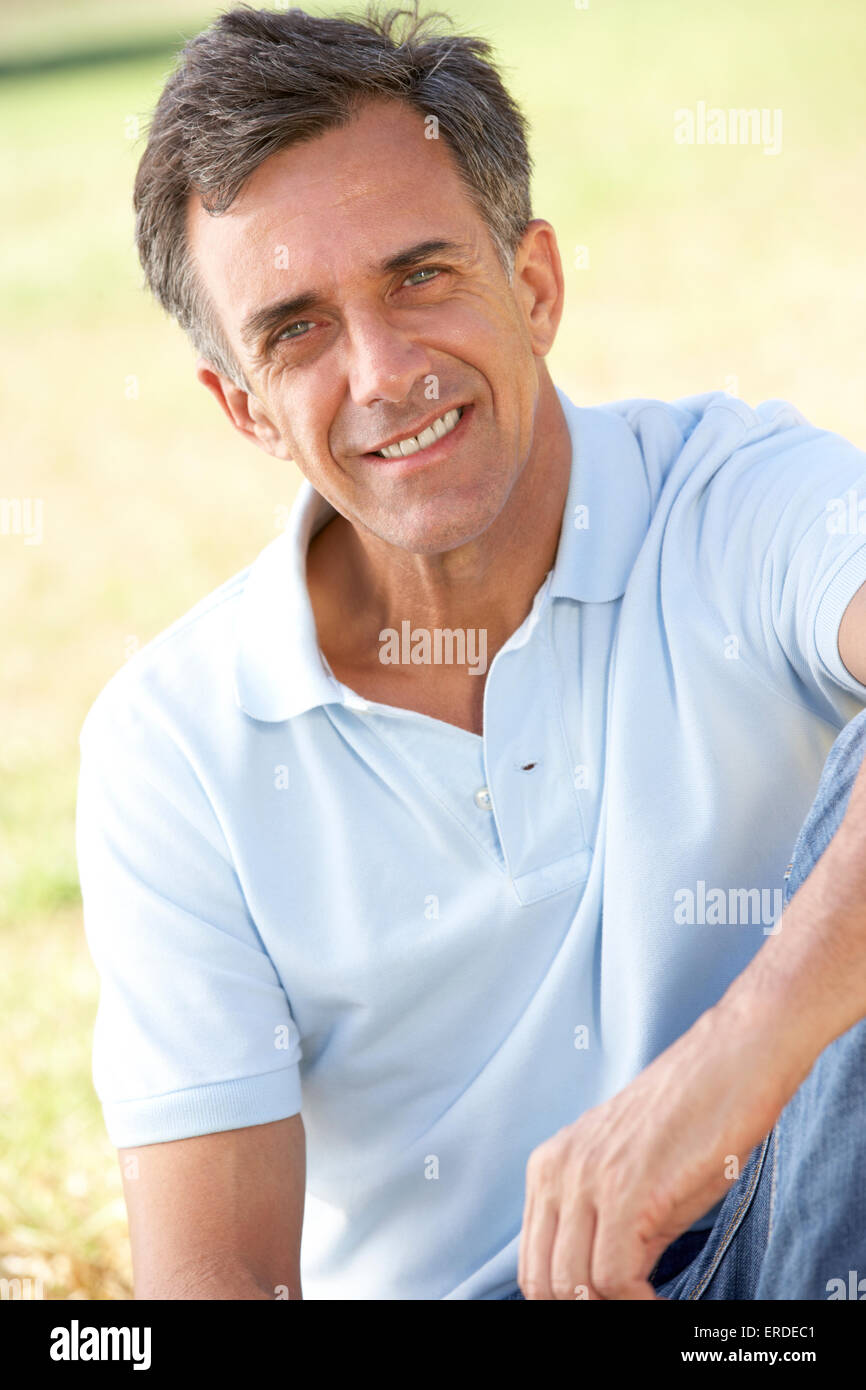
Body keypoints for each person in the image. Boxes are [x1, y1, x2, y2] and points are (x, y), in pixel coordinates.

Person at [76, 3, 866, 1300]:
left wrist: (730, 1062)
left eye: (418, 275)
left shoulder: (729, 502)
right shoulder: (174, 744)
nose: (383, 370)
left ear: (534, 283)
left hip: (800, 1241)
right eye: (296, 329)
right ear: (243, 409)